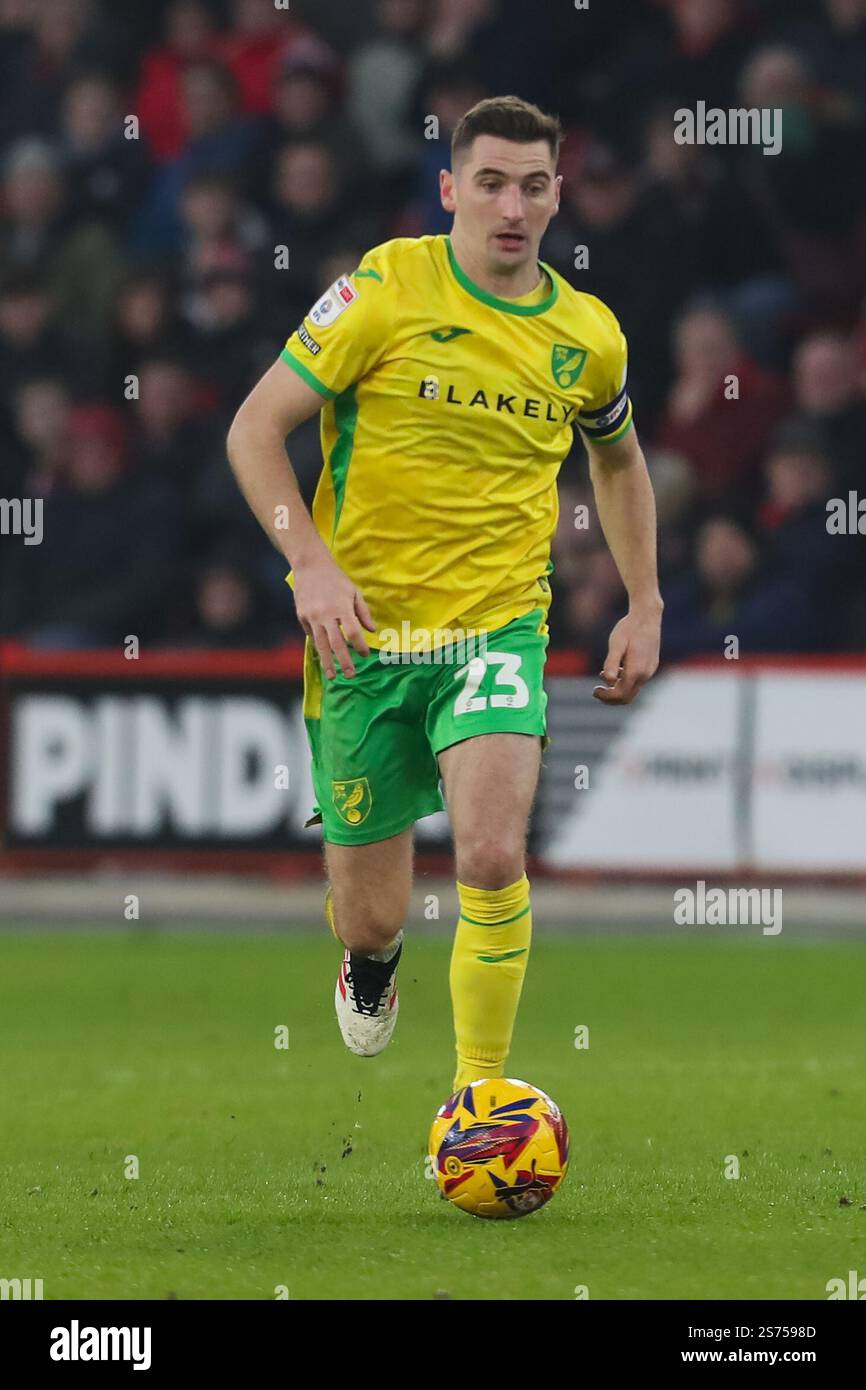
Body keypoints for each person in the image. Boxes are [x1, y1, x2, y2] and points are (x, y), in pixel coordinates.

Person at [227, 96, 663, 1089]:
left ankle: (480, 1101)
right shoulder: (383, 287)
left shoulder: (585, 336)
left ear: (558, 197)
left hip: (493, 629)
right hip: (365, 638)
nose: (512, 205)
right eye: (491, 182)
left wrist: (644, 600)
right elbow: (254, 429)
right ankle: (371, 960)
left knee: (491, 854)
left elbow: (620, 462)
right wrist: (310, 563)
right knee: (373, 910)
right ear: (449, 190)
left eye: (534, 185)